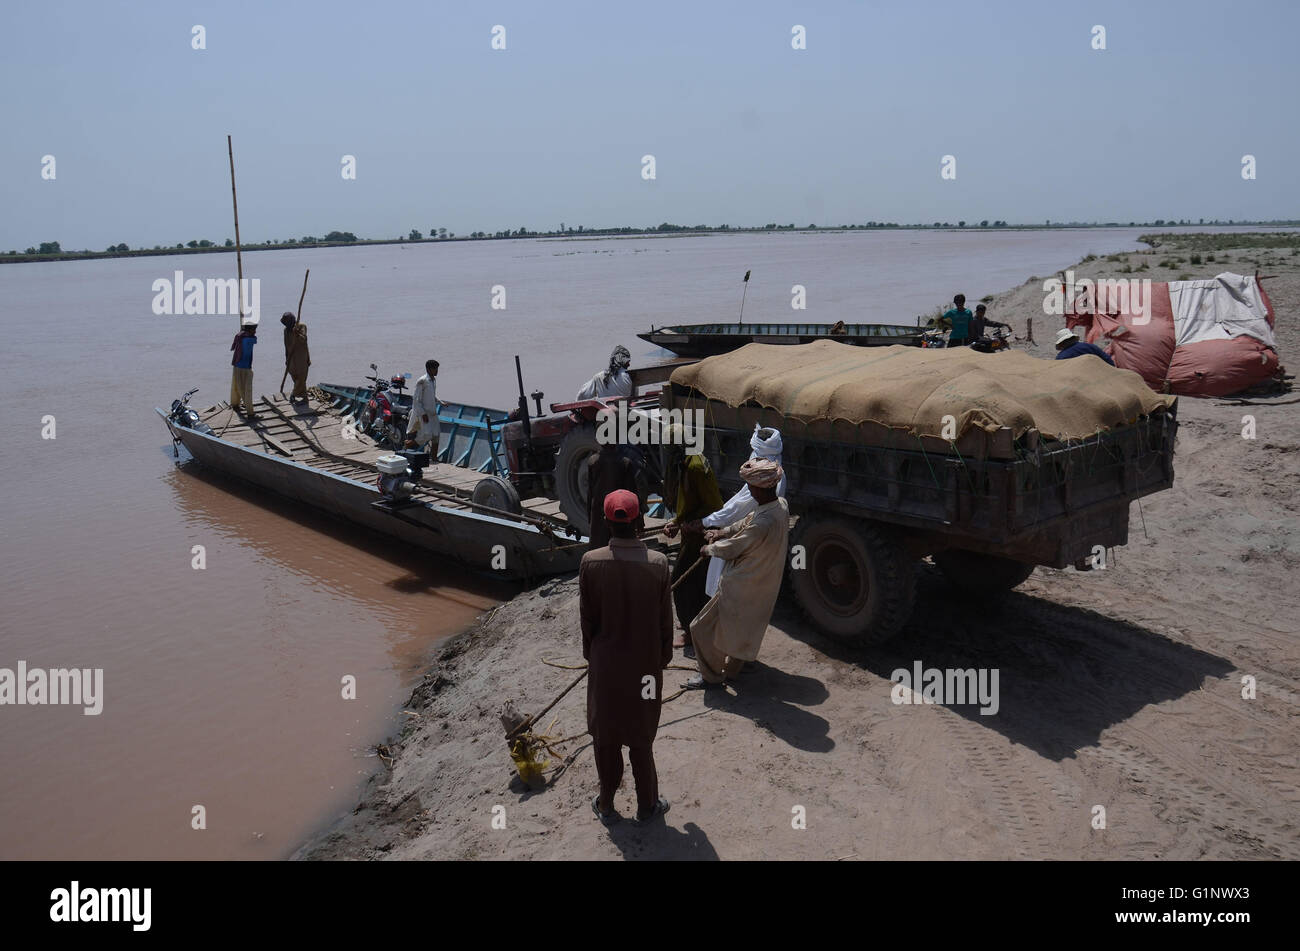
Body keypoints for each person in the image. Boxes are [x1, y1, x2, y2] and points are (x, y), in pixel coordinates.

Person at [579, 489, 673, 825]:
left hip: (606, 670)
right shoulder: (659, 564)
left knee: (607, 737)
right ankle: (648, 805)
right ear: (639, 521)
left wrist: (595, 657)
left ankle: (606, 804)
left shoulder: (590, 562)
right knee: (641, 735)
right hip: (646, 670)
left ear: (606, 522)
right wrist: (660, 660)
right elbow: (666, 624)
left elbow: (587, 623)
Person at [684, 459, 790, 690]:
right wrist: (723, 531)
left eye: (750, 487)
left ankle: (711, 677)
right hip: (763, 582)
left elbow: (736, 546)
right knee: (745, 626)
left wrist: (709, 548)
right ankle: (733, 670)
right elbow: (746, 522)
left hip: (741, 583)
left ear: (759, 488)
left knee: (699, 628)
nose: (749, 491)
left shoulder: (763, 521)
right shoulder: (779, 505)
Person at [680, 425, 786, 608]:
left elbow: (737, 527)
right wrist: (720, 532)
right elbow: (742, 518)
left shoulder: (761, 481)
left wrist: (710, 545)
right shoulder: (775, 476)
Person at [660, 433, 723, 651]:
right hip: (690, 531)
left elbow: (714, 505)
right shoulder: (687, 463)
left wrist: (694, 524)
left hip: (701, 534)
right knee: (696, 582)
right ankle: (696, 623)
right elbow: (687, 502)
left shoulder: (695, 467)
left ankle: (690, 631)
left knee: (681, 579)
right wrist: (676, 522)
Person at [585, 438, 643, 549]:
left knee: (599, 549)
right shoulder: (625, 462)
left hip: (599, 515)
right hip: (621, 516)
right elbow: (633, 495)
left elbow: (590, 493)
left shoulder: (592, 461)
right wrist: (639, 520)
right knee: (623, 549)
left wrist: (590, 517)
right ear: (616, 439)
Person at [405, 360, 441, 456]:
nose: (437, 371)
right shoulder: (422, 381)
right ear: (429, 369)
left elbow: (431, 395)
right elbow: (416, 400)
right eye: (435, 369)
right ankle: (407, 445)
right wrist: (423, 414)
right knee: (426, 435)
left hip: (433, 413)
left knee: (436, 435)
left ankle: (434, 457)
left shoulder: (433, 380)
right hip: (423, 413)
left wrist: (440, 402)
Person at [229, 320, 258, 418]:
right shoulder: (249, 339)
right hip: (245, 367)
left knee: (236, 386)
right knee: (247, 389)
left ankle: (235, 404)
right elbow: (255, 340)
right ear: (250, 330)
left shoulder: (240, 336)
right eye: (254, 330)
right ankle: (250, 413)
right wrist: (249, 334)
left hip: (236, 365)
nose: (255, 332)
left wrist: (244, 332)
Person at [280, 311, 311, 401]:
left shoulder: (301, 326)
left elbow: (304, 340)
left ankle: (293, 394)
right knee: (295, 377)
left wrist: (296, 333)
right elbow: (286, 344)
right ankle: (304, 396)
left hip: (301, 357)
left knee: (301, 378)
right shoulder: (286, 331)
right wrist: (286, 358)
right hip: (291, 359)